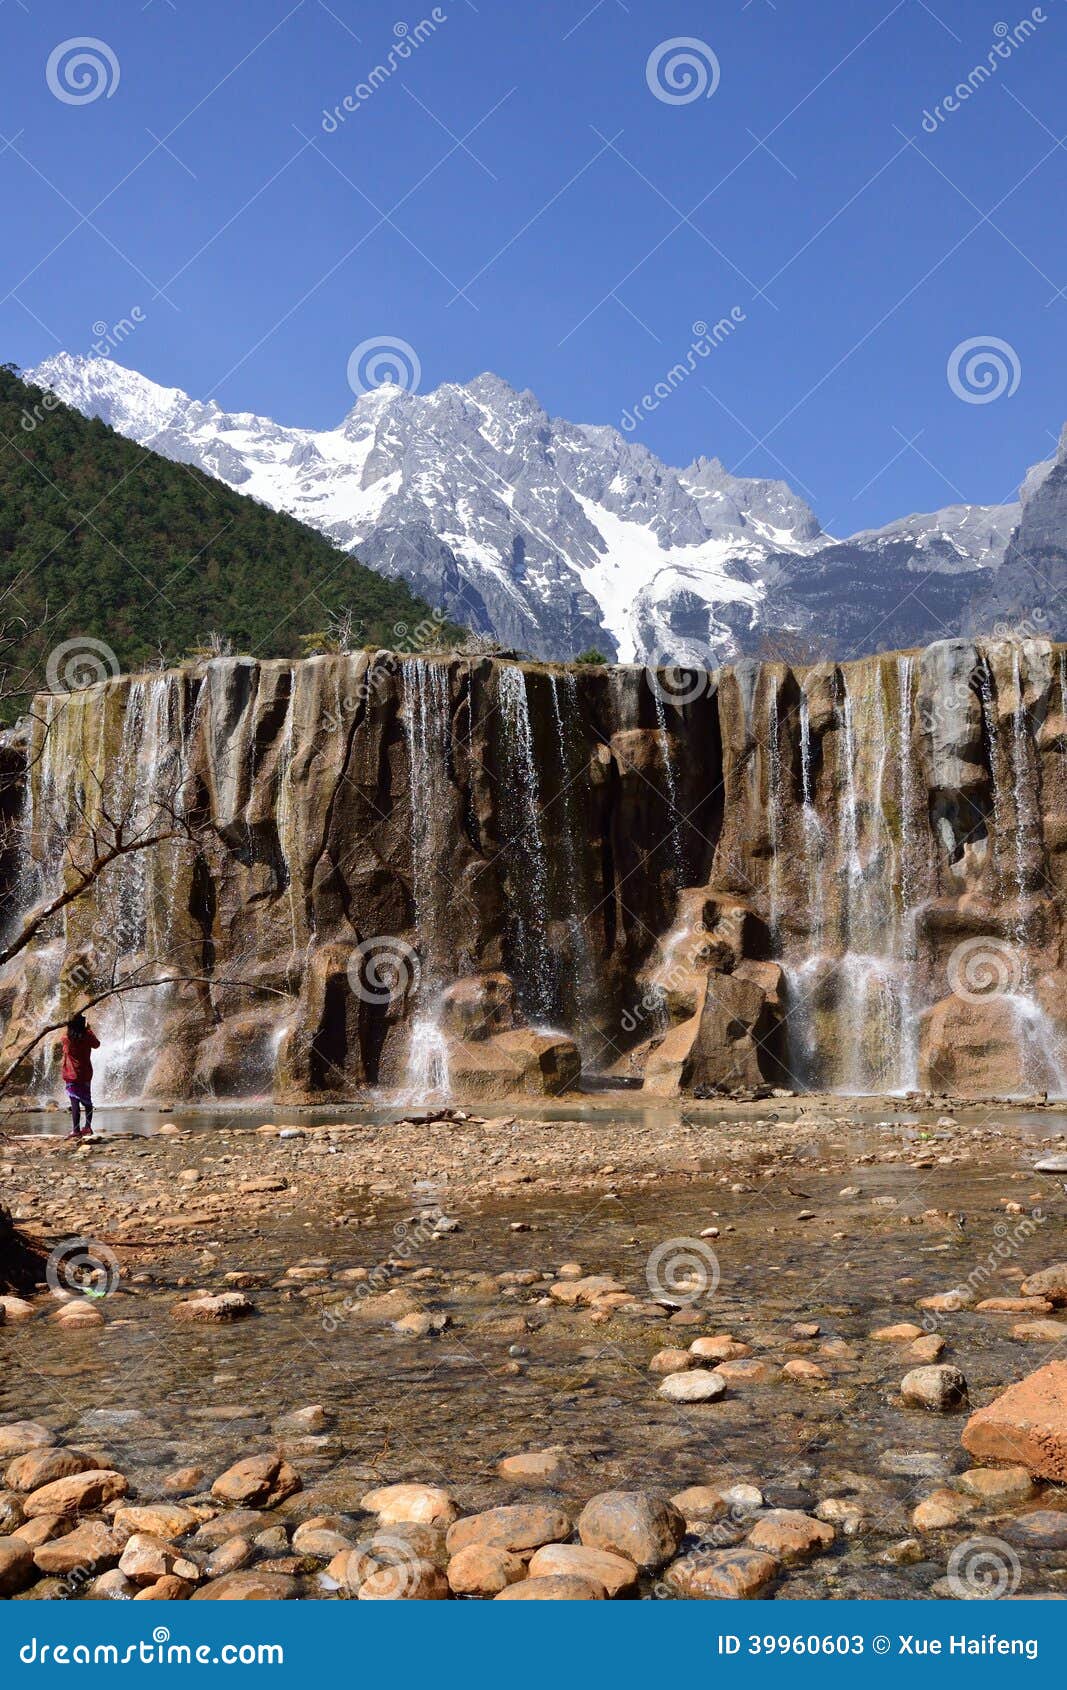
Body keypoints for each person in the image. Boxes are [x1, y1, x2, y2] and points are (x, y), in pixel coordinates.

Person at [61, 1013, 100, 1139]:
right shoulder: (87, 1036)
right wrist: (88, 1029)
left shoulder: (66, 1038)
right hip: (85, 1073)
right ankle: (88, 1127)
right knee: (87, 1100)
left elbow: (66, 1050)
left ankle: (76, 1130)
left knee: (74, 1102)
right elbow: (97, 1044)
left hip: (71, 1074)